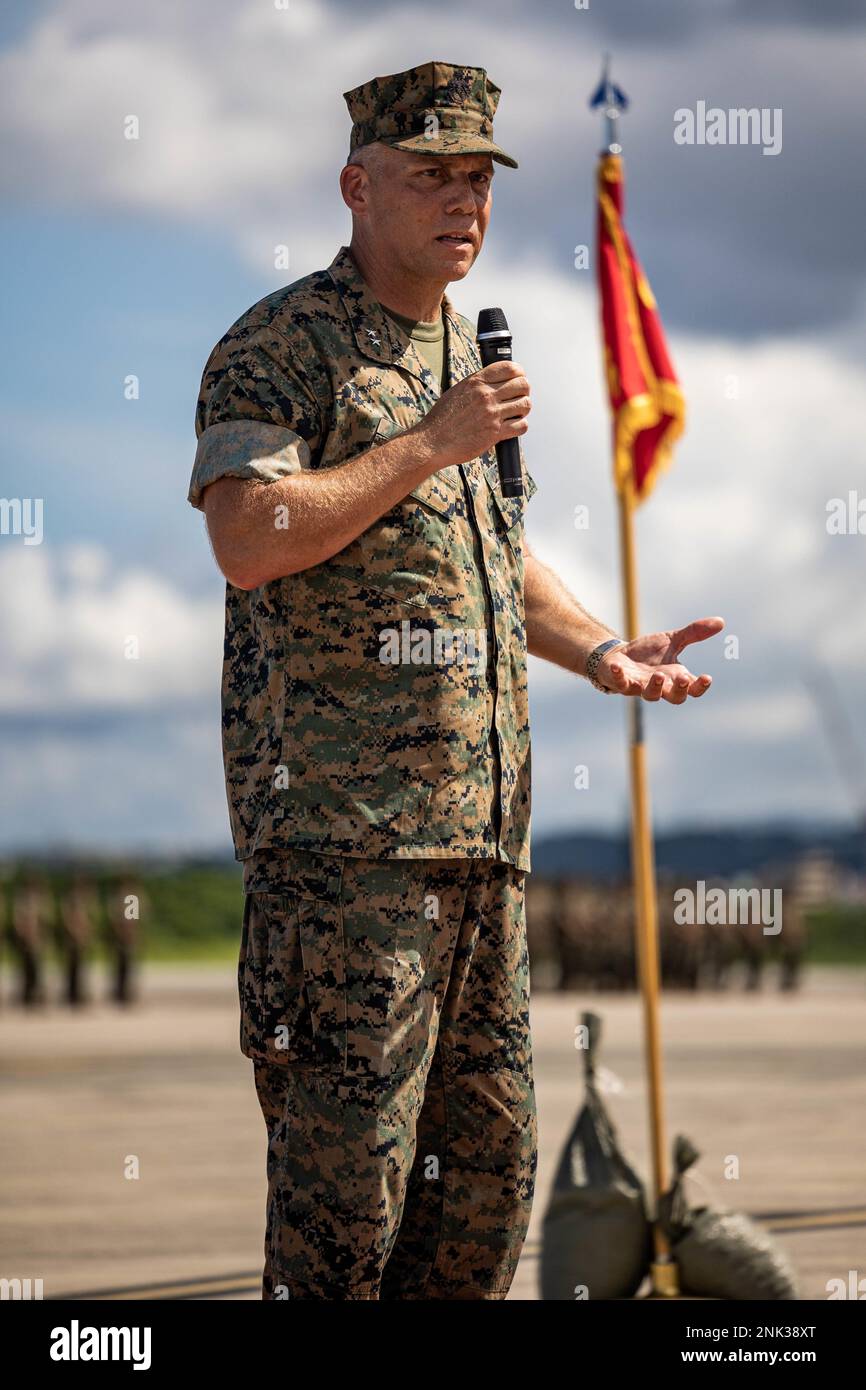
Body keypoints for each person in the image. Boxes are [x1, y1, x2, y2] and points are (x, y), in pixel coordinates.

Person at [188, 60, 722, 1301]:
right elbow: (249, 533)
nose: (464, 200)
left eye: (478, 177)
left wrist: (600, 649)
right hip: (344, 862)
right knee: (344, 1222)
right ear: (355, 187)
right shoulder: (283, 346)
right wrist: (433, 438)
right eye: (432, 174)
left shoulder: (463, 357)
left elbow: (487, 558)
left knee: (483, 1193)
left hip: (481, 854)